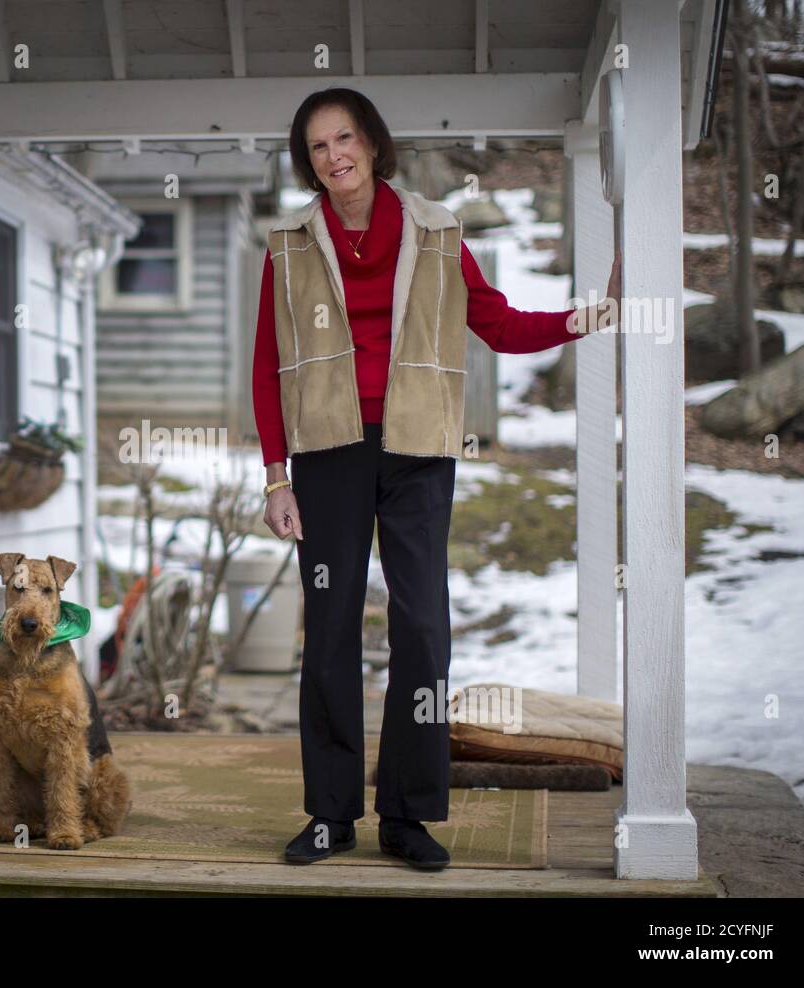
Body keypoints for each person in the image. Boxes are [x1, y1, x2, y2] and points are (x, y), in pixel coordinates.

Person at [253, 88, 620, 868]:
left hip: (418, 450)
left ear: (374, 144)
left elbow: (497, 321)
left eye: (344, 138)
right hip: (326, 454)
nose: (334, 157)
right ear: (308, 162)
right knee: (330, 632)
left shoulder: (438, 231)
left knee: (421, 627)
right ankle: (329, 814)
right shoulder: (286, 245)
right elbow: (267, 366)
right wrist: (274, 478)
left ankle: (407, 816)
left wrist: (582, 318)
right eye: (317, 147)